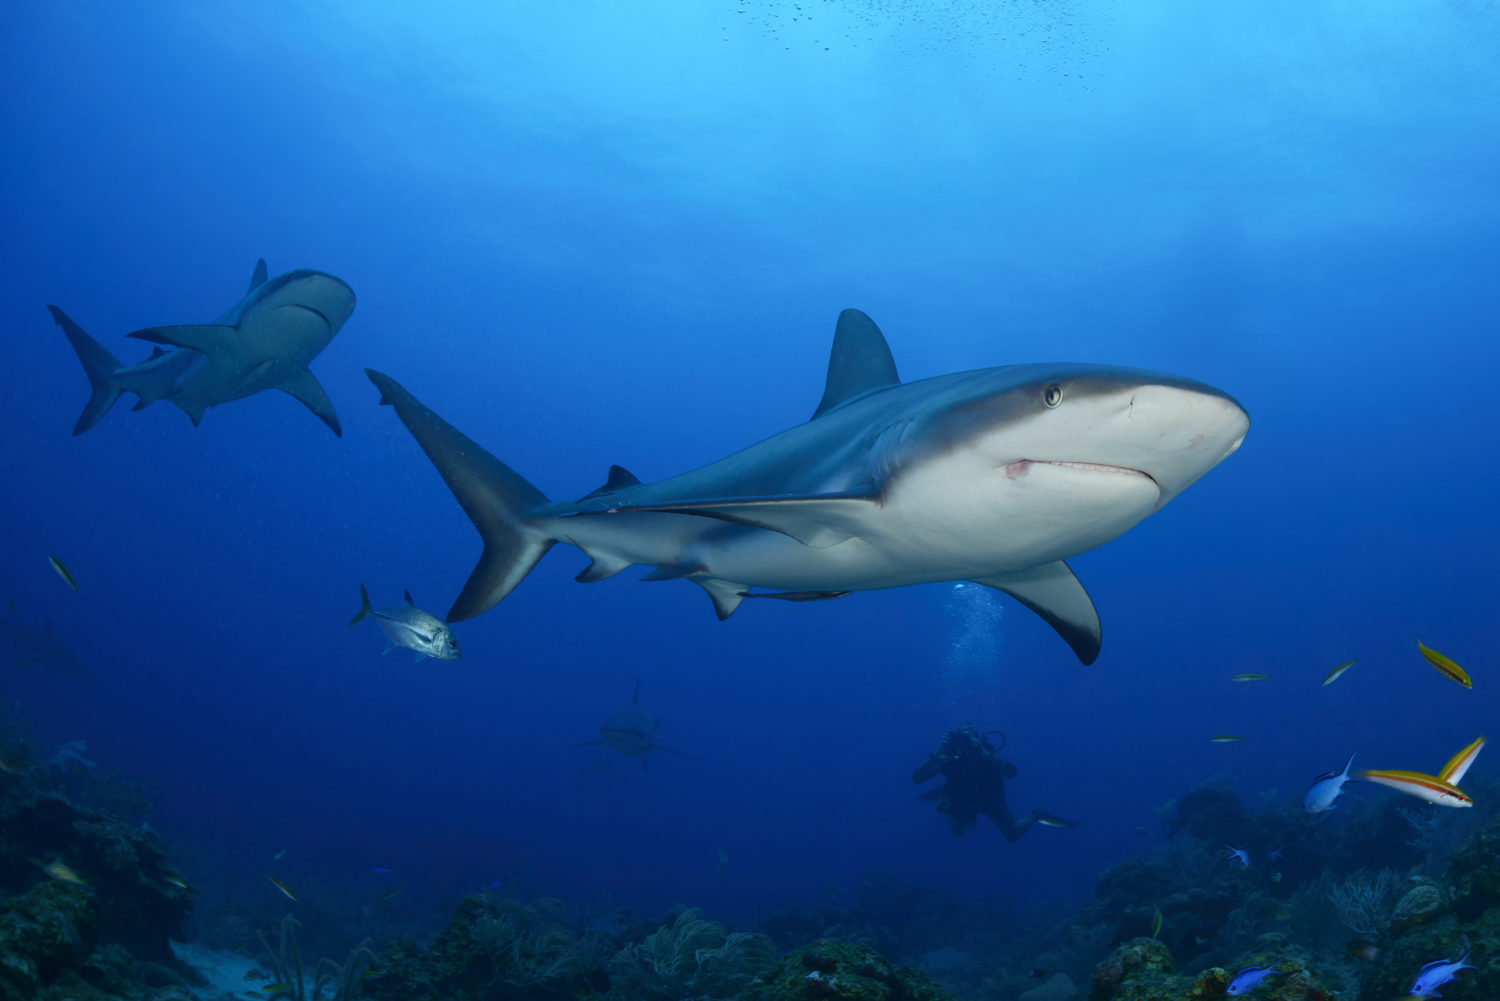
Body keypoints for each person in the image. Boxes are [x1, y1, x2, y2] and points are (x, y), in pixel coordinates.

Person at [912, 724, 1075, 841]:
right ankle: (965, 816)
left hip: (991, 800)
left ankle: (1036, 814)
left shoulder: (986, 756)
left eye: (968, 738)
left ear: (978, 739)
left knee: (1012, 835)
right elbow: (918, 778)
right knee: (957, 831)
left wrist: (983, 753)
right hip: (962, 798)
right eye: (961, 738)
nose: (964, 743)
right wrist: (939, 750)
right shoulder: (947, 757)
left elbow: (1011, 772)